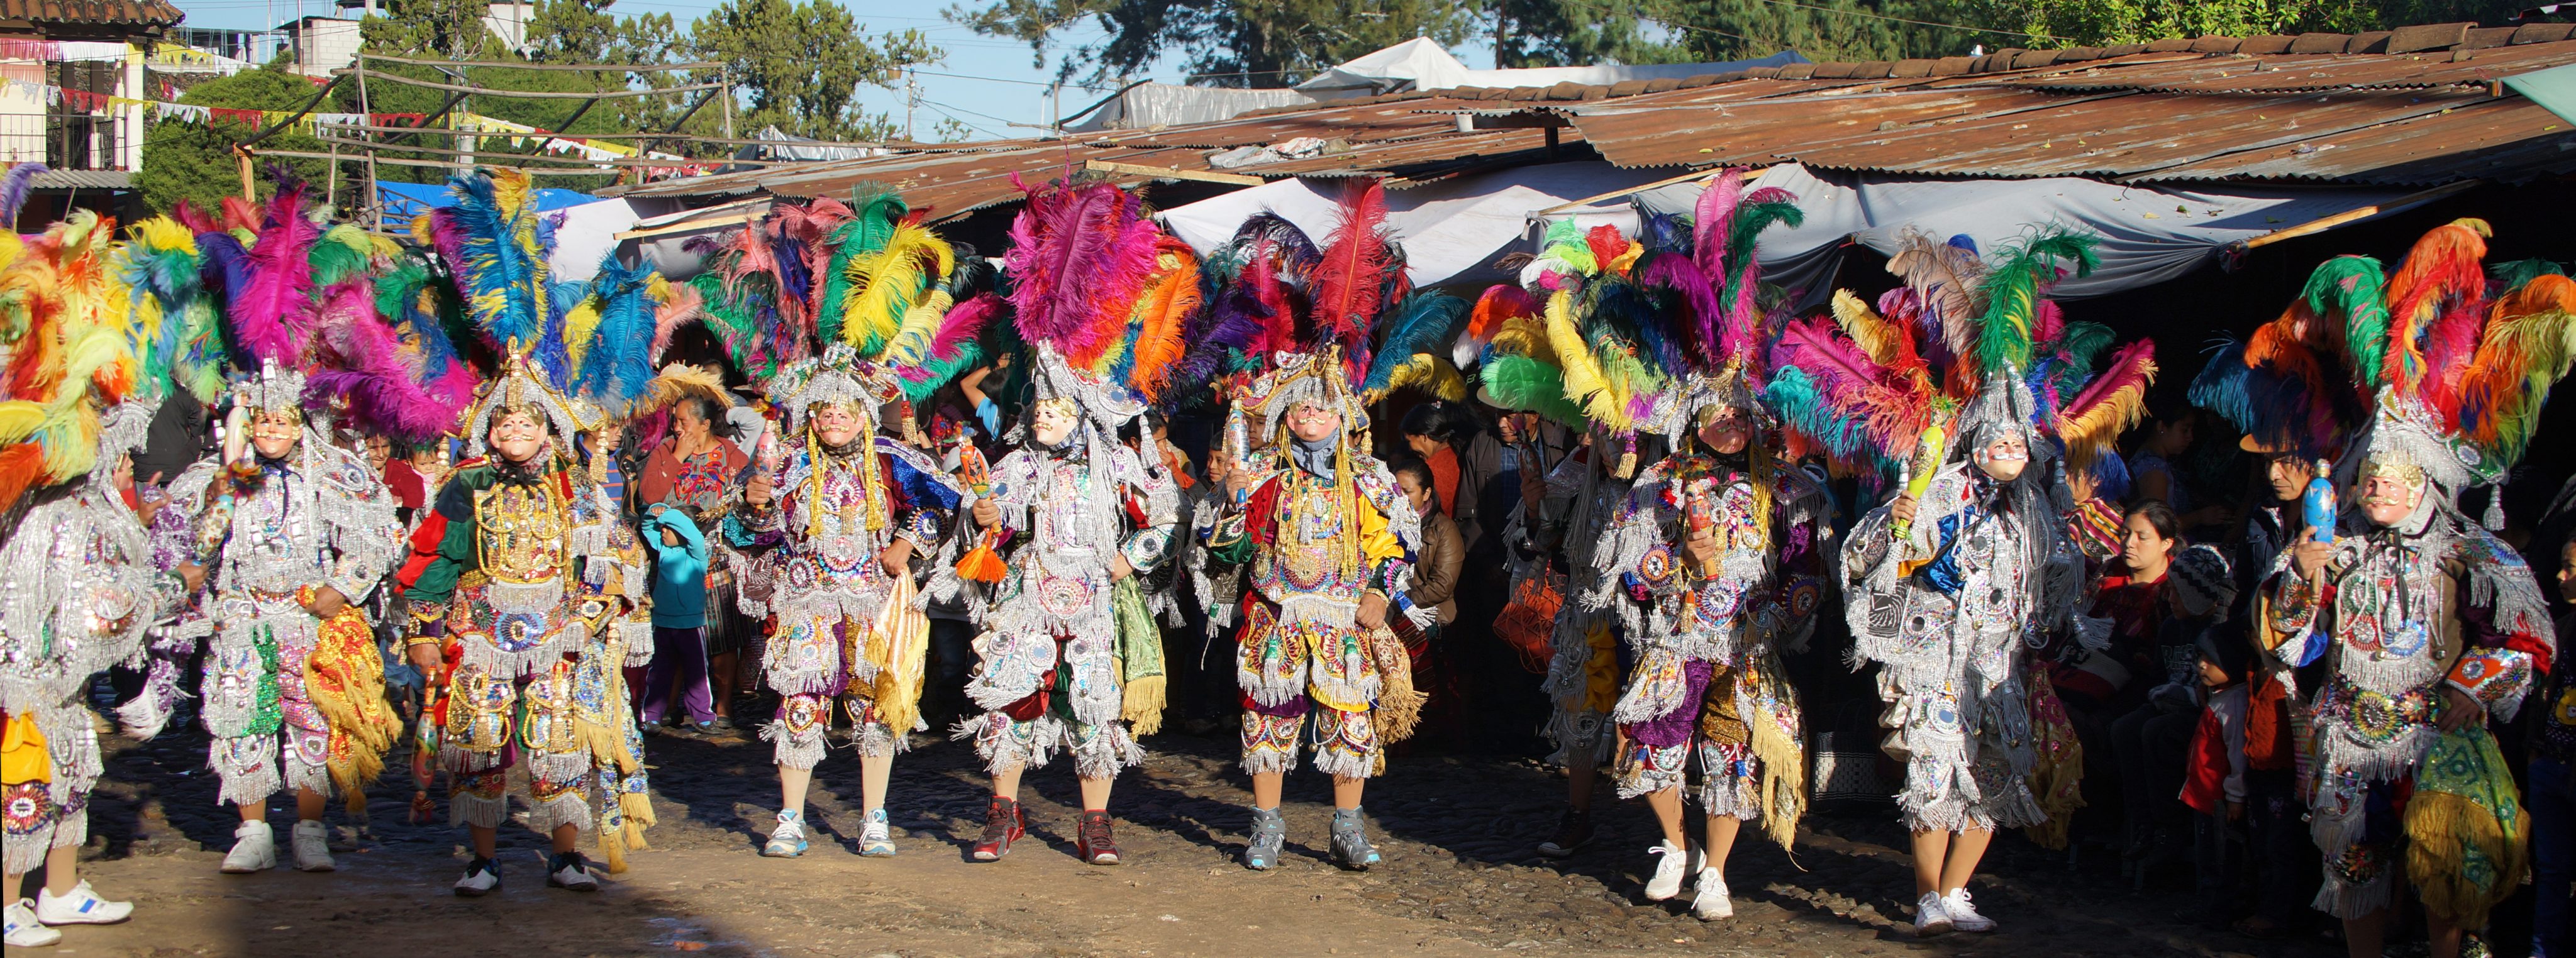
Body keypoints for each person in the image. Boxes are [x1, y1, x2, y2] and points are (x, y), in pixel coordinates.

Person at [2267, 395, 2555, 958]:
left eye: (2390, 479)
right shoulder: (2334, 546)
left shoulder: (2465, 549)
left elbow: (2527, 634)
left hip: (2435, 732)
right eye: (2369, 477)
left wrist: (2473, 686)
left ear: (2423, 482)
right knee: (2354, 863)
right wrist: (2301, 574)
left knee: (2442, 862)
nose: (2375, 488)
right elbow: (2283, 636)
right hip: (2350, 734)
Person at [1, 211, 208, 945]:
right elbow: (106, 609)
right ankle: (10, 903)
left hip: (51, 681)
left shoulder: (65, 505)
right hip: (28, 676)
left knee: (70, 767)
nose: (125, 461)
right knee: (25, 773)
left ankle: (60, 891)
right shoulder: (58, 517)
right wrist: (177, 588)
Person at [1842, 369, 2086, 937]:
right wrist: (1898, 523)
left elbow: (2056, 579)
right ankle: (1927, 896)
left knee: (1993, 773)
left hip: (1997, 665)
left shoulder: (2033, 507)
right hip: (1935, 655)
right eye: (2001, 439)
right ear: (1976, 444)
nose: (2013, 448)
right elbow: (1885, 552)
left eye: (2021, 440)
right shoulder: (1944, 490)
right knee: (1933, 771)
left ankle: (1955, 890)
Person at [1599, 370, 1829, 920]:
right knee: (1650, 750)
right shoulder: (1660, 482)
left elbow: (1806, 570)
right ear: (1692, 418)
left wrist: (1773, 616)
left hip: (1745, 648)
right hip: (1676, 642)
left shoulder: (1785, 487)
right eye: (1719, 413)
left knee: (1731, 760)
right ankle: (1678, 846)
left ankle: (1716, 874)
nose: (1732, 423)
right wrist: (1680, 560)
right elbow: (1630, 572)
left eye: (1741, 414)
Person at [162, 365, 406, 877]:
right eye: (262, 421)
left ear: (299, 426)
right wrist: (227, 484)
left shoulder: (332, 472)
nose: (271, 429)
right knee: (240, 722)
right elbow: (197, 549)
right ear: (248, 423)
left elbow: (377, 537)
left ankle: (310, 831)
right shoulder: (223, 475)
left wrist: (341, 588)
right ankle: (252, 834)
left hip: (305, 618)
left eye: (283, 421)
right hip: (243, 617)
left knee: (311, 721)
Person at [729, 350, 960, 859]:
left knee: (872, 712)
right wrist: (754, 506)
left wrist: (907, 542)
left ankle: (874, 817)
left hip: (872, 604)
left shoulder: (889, 458)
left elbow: (944, 500)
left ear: (864, 414)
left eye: (845, 412)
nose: (834, 421)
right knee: (800, 706)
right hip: (806, 603)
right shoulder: (786, 460)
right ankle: (791, 818)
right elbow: (747, 531)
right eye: (824, 412)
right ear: (810, 415)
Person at [953, 348, 1175, 864]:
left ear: (1083, 412)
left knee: (1093, 710)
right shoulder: (1019, 463)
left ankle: (1096, 823)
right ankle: (1003, 813)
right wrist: (983, 517)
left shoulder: (1116, 461)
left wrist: (1130, 558)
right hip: (1028, 599)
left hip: (1092, 603)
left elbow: (1169, 514)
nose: (1041, 416)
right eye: (1038, 406)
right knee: (1010, 701)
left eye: (1054, 408)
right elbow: (984, 522)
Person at [1208, 353, 1421, 869]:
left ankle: (1348, 827)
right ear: (1284, 414)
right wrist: (1232, 504)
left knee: (1349, 720)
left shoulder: (1367, 476)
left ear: (1342, 415)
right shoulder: (1259, 472)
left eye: (1321, 407)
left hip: (1342, 617)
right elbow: (1226, 553)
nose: (1309, 416)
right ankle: (1266, 826)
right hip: (1275, 611)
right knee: (1266, 720)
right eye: (1299, 408)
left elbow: (1396, 546)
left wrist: (1379, 594)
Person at [633, 380, 750, 734]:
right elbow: (650, 495)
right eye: (674, 421)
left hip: (718, 557)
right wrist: (678, 458)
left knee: (721, 635)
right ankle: (668, 706)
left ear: (705, 424)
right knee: (673, 634)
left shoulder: (731, 456)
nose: (676, 428)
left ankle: (721, 706)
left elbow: (746, 500)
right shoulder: (665, 451)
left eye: (683, 421)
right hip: (672, 557)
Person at [2530, 533, 2576, 958]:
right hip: (2550, 765)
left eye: (2571, 568)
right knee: (2551, 869)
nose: (2560, 576)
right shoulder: (2562, 629)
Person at [639, 505, 715, 731]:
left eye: (668, 528)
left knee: (697, 673)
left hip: (691, 625)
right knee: (658, 672)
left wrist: (669, 514)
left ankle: (703, 716)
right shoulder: (663, 548)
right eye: (662, 527)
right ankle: (652, 716)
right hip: (662, 623)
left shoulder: (697, 554)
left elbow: (694, 535)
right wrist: (655, 511)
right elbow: (647, 527)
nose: (662, 530)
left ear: (682, 529)